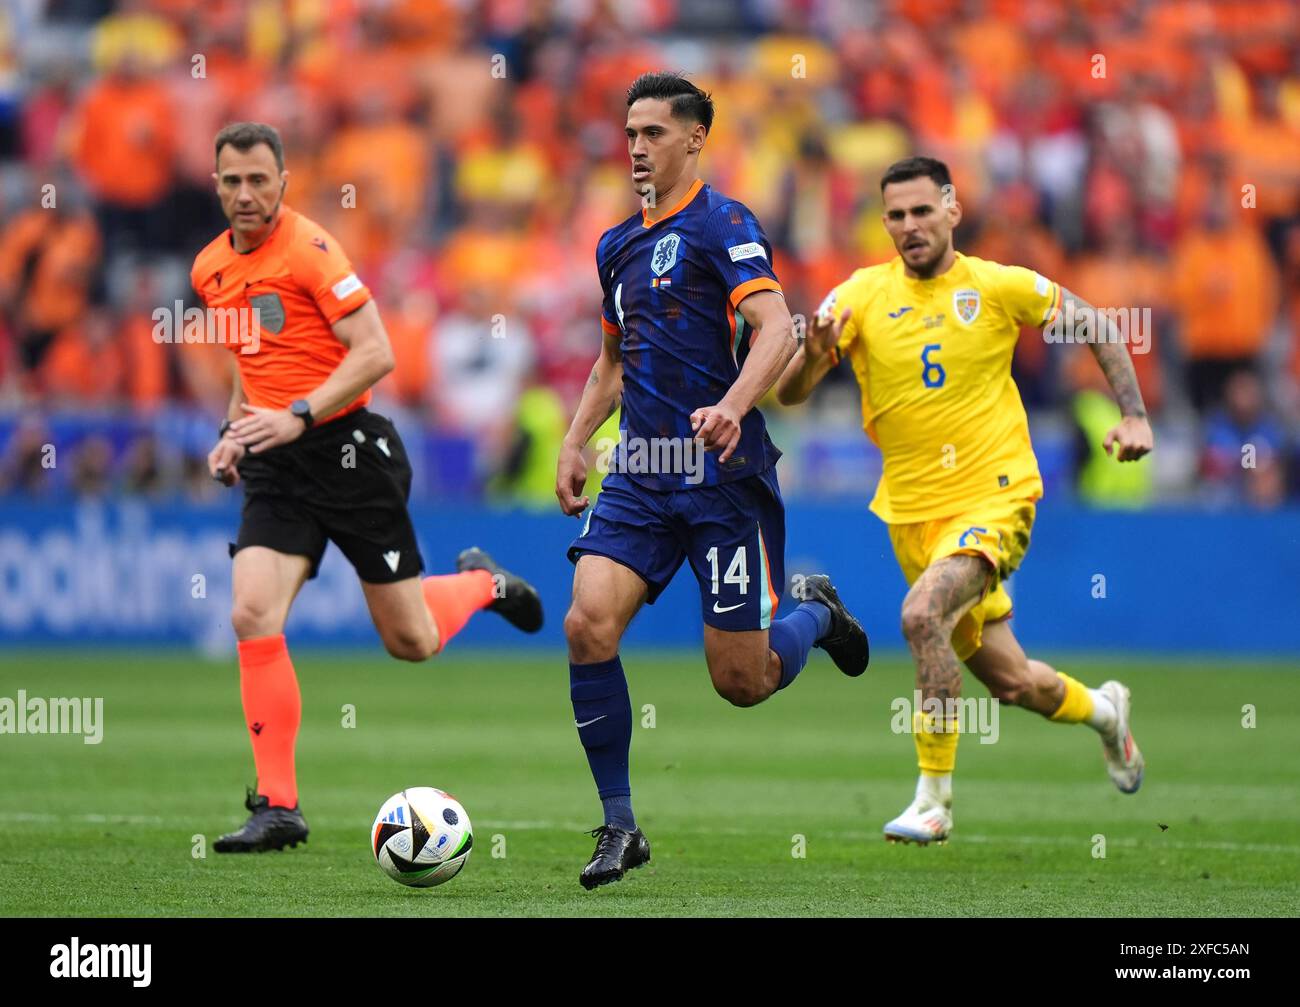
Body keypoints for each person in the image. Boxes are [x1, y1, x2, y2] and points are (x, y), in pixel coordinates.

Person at [778, 156, 1152, 844]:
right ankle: (1106, 710)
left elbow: (1096, 324)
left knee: (921, 615)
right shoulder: (858, 296)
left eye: (923, 211)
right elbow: (789, 396)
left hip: (996, 495)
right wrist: (809, 357)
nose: (910, 226)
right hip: (914, 518)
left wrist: (1132, 413)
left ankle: (934, 801)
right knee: (1015, 684)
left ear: (952, 208)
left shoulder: (998, 285)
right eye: (896, 215)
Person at [555, 74, 870, 889]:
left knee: (743, 680)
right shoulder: (615, 244)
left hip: (722, 477)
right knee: (588, 624)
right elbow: (612, 363)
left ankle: (816, 616)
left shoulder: (724, 223)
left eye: (654, 132)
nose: (635, 146)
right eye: (630, 131)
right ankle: (619, 824)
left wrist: (733, 404)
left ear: (695, 140)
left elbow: (778, 330)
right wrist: (575, 440)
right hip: (641, 474)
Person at [193, 122, 542, 853]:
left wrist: (298, 414)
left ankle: (481, 583)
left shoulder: (312, 250)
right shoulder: (210, 269)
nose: (246, 193)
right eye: (233, 180)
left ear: (284, 182)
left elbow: (376, 352)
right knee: (253, 611)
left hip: (349, 451)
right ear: (217, 184)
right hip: (276, 462)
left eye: (260, 179)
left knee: (410, 639)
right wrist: (235, 428)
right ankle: (278, 805)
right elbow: (245, 356)